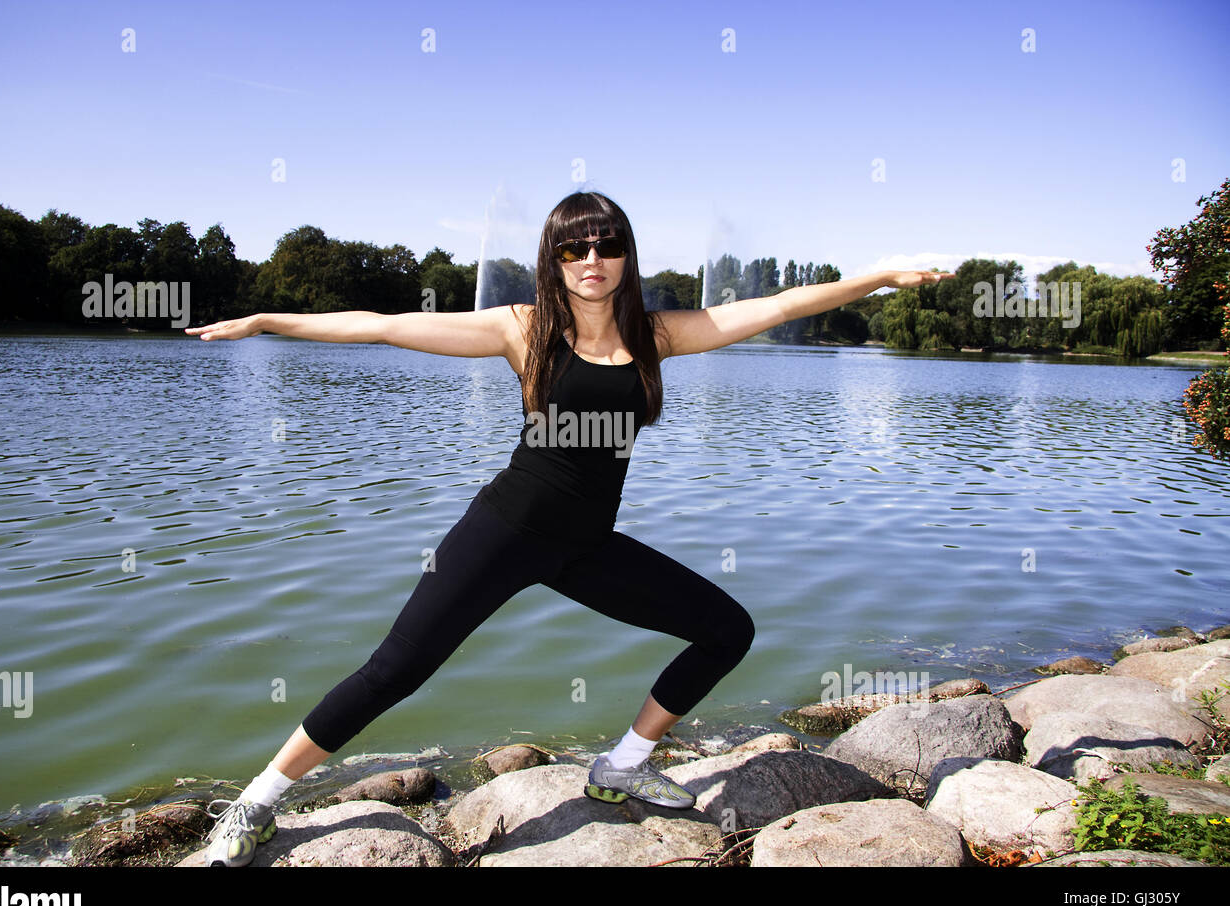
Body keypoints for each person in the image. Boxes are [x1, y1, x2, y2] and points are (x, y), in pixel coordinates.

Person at [186, 189, 953, 866]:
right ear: (553, 258)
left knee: (728, 630)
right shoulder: (522, 329)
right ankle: (256, 801)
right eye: (574, 246)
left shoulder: (659, 335)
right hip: (504, 529)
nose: (593, 258)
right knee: (395, 670)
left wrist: (879, 275)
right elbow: (384, 325)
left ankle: (623, 763)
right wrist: (266, 319)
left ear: (625, 255)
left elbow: (784, 306)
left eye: (607, 244)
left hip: (587, 545)